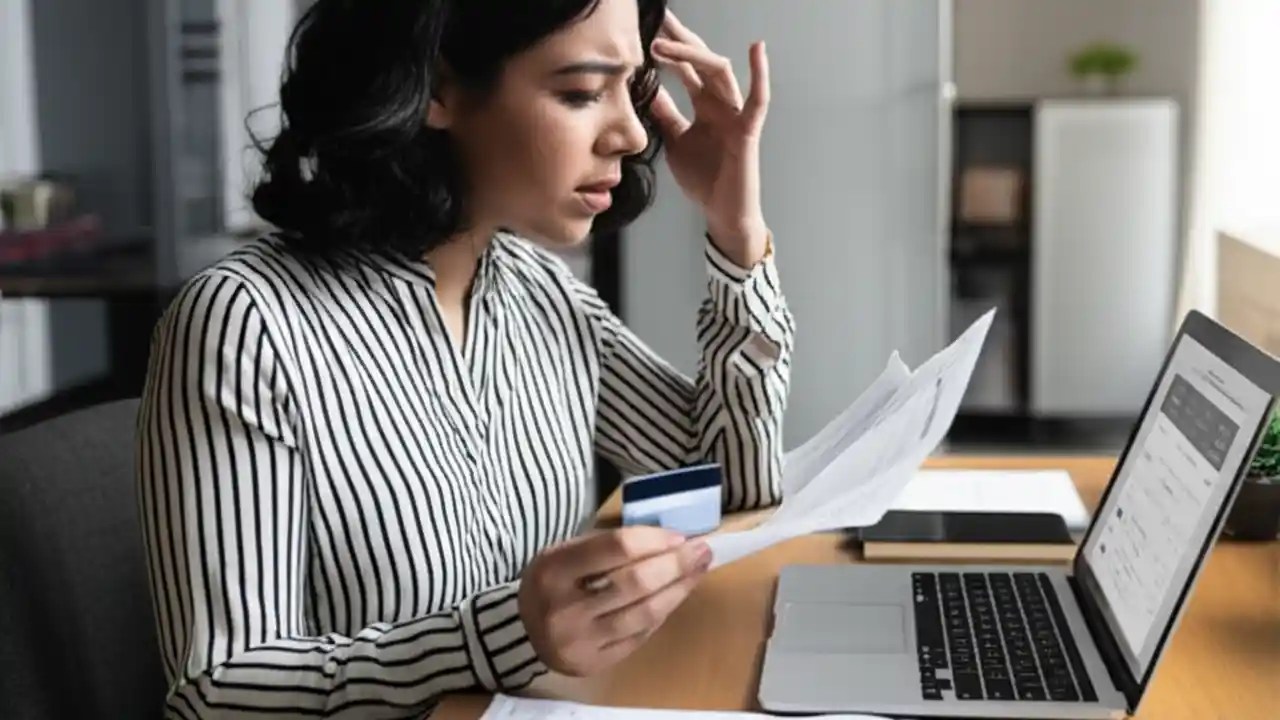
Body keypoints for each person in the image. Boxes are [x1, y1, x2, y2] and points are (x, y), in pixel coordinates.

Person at [135, 0, 794, 716]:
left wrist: (737, 233)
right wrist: (505, 635)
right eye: (581, 92)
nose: (634, 134)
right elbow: (215, 694)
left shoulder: (539, 290)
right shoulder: (246, 323)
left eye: (630, 89)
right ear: (437, 87)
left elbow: (728, 487)